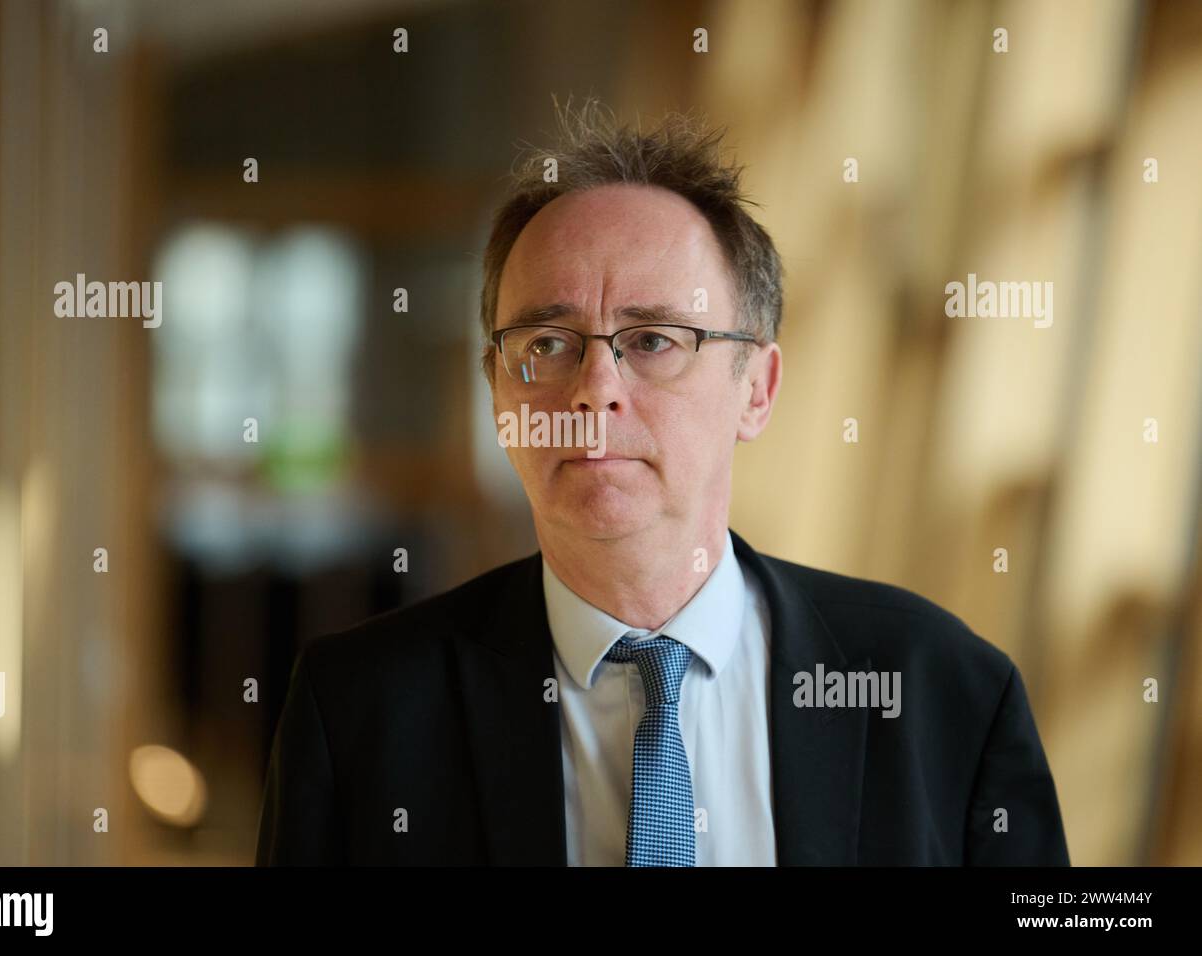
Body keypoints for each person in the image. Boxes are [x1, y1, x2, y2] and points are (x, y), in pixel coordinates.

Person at [255, 99, 1069, 866]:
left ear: (757, 389)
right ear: (498, 392)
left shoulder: (943, 689)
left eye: (651, 339)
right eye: (546, 342)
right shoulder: (360, 710)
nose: (593, 388)